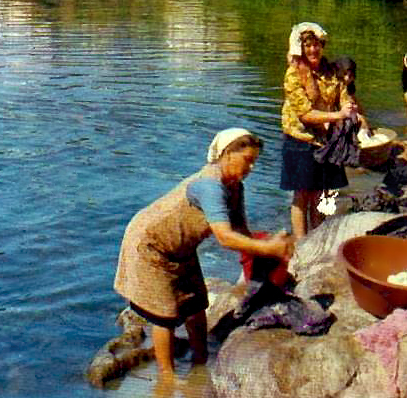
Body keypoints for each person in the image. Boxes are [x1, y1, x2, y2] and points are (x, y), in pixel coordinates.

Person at [113, 128, 294, 385]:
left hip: (181, 247)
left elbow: (240, 231)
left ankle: (201, 361)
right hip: (149, 245)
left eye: (254, 161)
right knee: (164, 315)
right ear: (228, 155)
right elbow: (225, 237)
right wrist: (271, 249)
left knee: (196, 304)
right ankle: (167, 378)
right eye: (247, 160)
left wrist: (268, 252)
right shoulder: (210, 186)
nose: (251, 167)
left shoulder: (234, 187)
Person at [280, 23, 356, 238]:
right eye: (307, 46)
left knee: (325, 193)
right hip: (301, 140)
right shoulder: (293, 74)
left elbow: (343, 93)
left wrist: (347, 108)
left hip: (328, 140)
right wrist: (337, 116)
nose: (313, 50)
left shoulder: (331, 71)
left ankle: (320, 235)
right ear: (300, 49)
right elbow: (305, 114)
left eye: (316, 45)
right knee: (302, 195)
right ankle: (302, 243)